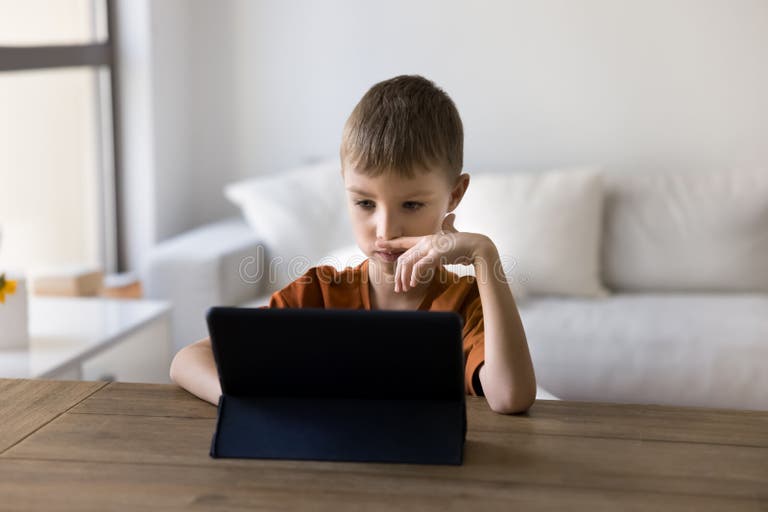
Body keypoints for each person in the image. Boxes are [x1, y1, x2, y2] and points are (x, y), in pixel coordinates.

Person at [170, 75, 536, 414]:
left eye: (411, 204)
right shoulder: (319, 294)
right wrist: (247, 401)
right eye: (365, 203)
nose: (386, 230)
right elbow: (186, 360)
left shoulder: (467, 305)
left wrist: (483, 254)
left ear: (454, 195)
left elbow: (509, 397)